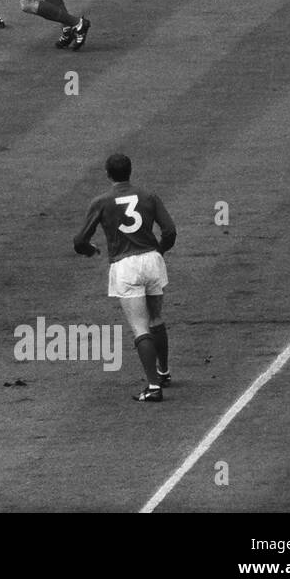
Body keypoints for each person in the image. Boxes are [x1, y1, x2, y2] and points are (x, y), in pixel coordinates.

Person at [73, 153, 177, 402]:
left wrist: (91, 251)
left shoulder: (102, 201)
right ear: (130, 171)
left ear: (108, 174)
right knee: (156, 319)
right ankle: (163, 372)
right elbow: (170, 231)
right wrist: (158, 251)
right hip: (152, 261)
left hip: (125, 265)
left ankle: (153, 387)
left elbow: (79, 242)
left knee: (140, 327)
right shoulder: (149, 195)